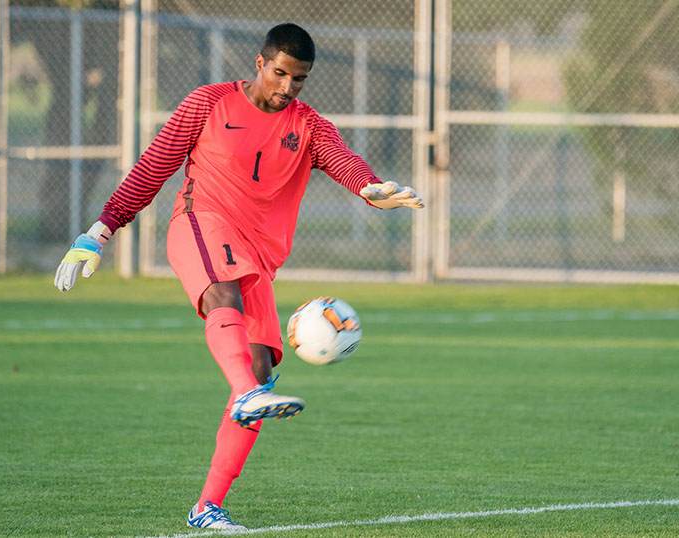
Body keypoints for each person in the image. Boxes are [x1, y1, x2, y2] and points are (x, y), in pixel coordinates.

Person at [53, 23, 424, 531]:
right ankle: (247, 394)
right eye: (280, 74)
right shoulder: (208, 104)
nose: (287, 87)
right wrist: (99, 232)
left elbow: (342, 160)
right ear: (259, 64)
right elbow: (153, 168)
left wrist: (369, 187)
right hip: (200, 222)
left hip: (258, 258)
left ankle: (208, 506)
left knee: (260, 369)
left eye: (300, 79)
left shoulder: (308, 125)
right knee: (225, 302)